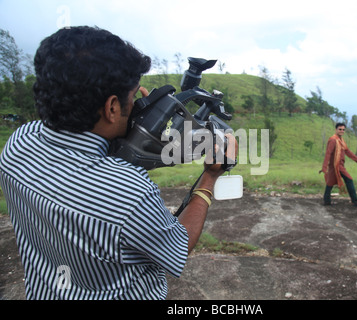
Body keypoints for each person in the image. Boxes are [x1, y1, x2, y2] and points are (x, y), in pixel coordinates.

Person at [0, 26, 237, 300]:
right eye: (134, 96)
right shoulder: (130, 193)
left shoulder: (19, 144)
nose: (139, 102)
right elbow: (178, 247)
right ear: (112, 107)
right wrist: (209, 177)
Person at [320, 123, 357, 206]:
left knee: (330, 183)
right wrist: (324, 167)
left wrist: (356, 159)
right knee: (349, 180)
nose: (342, 131)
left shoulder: (341, 140)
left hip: (339, 165)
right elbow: (328, 153)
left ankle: (326, 200)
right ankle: (355, 200)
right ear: (336, 130)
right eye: (340, 129)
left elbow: (347, 151)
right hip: (336, 165)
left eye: (343, 129)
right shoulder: (333, 140)